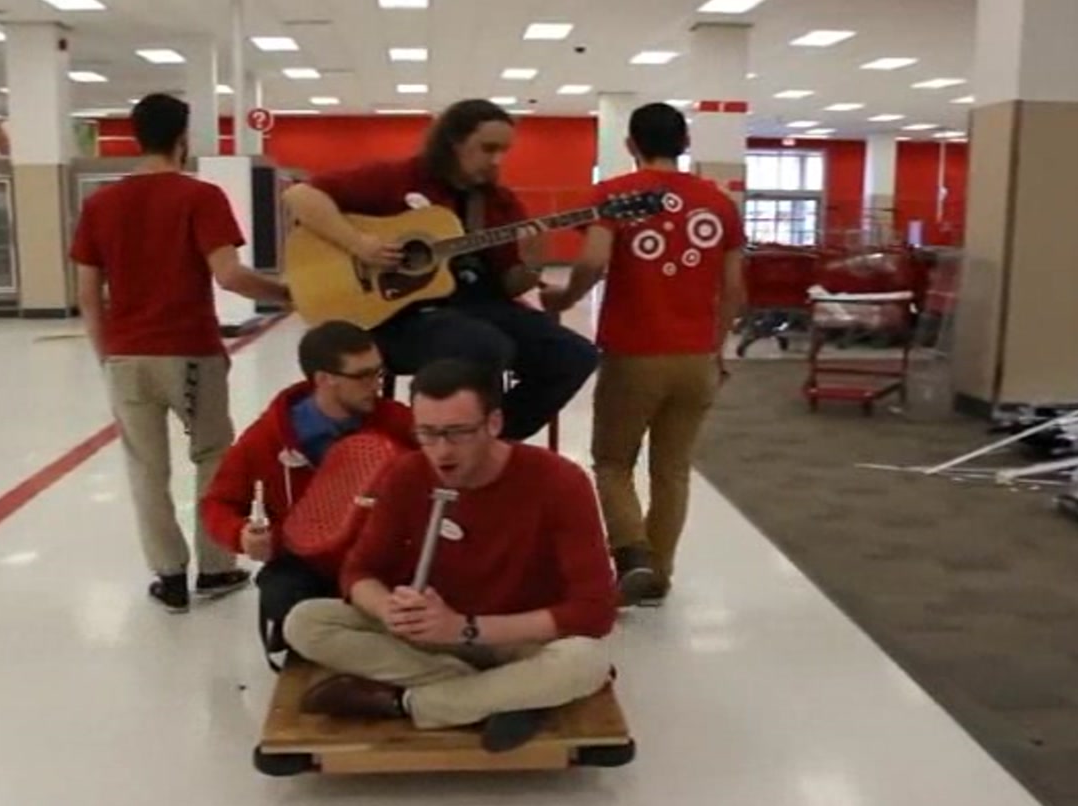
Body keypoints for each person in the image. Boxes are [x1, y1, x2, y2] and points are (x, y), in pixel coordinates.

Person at [283, 358, 616, 753]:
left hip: (521, 638)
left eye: (458, 433)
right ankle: (495, 697)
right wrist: (388, 607)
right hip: (437, 638)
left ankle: (411, 703)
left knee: (586, 661)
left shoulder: (561, 482)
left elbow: (594, 611)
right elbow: (359, 572)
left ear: (493, 424)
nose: (441, 451)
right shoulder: (407, 474)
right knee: (305, 622)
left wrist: (465, 628)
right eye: (427, 433)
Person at [71, 92, 290, 613]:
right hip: (191, 353)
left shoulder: (100, 204)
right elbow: (231, 275)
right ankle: (216, 568)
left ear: (136, 136)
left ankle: (169, 578)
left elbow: (86, 294)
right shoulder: (200, 196)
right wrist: (290, 294)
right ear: (182, 138)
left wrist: (108, 356)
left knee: (146, 469)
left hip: (126, 358)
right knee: (212, 456)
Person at [281, 98, 598, 442]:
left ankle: (490, 439)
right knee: (484, 346)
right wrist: (359, 243)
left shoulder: (498, 202)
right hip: (396, 317)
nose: (496, 160)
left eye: (504, 151)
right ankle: (429, 438)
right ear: (453, 142)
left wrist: (533, 262)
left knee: (574, 355)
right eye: (487, 148)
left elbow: (509, 286)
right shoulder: (398, 178)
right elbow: (300, 196)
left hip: (478, 309)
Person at [541, 102, 746, 606]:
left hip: (634, 354)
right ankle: (660, 573)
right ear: (686, 143)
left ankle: (633, 558)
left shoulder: (614, 195)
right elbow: (736, 290)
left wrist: (562, 299)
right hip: (696, 359)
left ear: (631, 144)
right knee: (672, 470)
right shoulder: (719, 204)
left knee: (612, 463)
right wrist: (715, 349)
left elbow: (592, 260)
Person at [199, 320, 415, 661]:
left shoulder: (398, 422)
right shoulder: (266, 440)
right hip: (308, 564)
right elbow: (218, 502)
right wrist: (241, 535)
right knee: (283, 597)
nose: (377, 385)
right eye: (363, 376)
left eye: (379, 372)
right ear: (323, 379)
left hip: (383, 560)